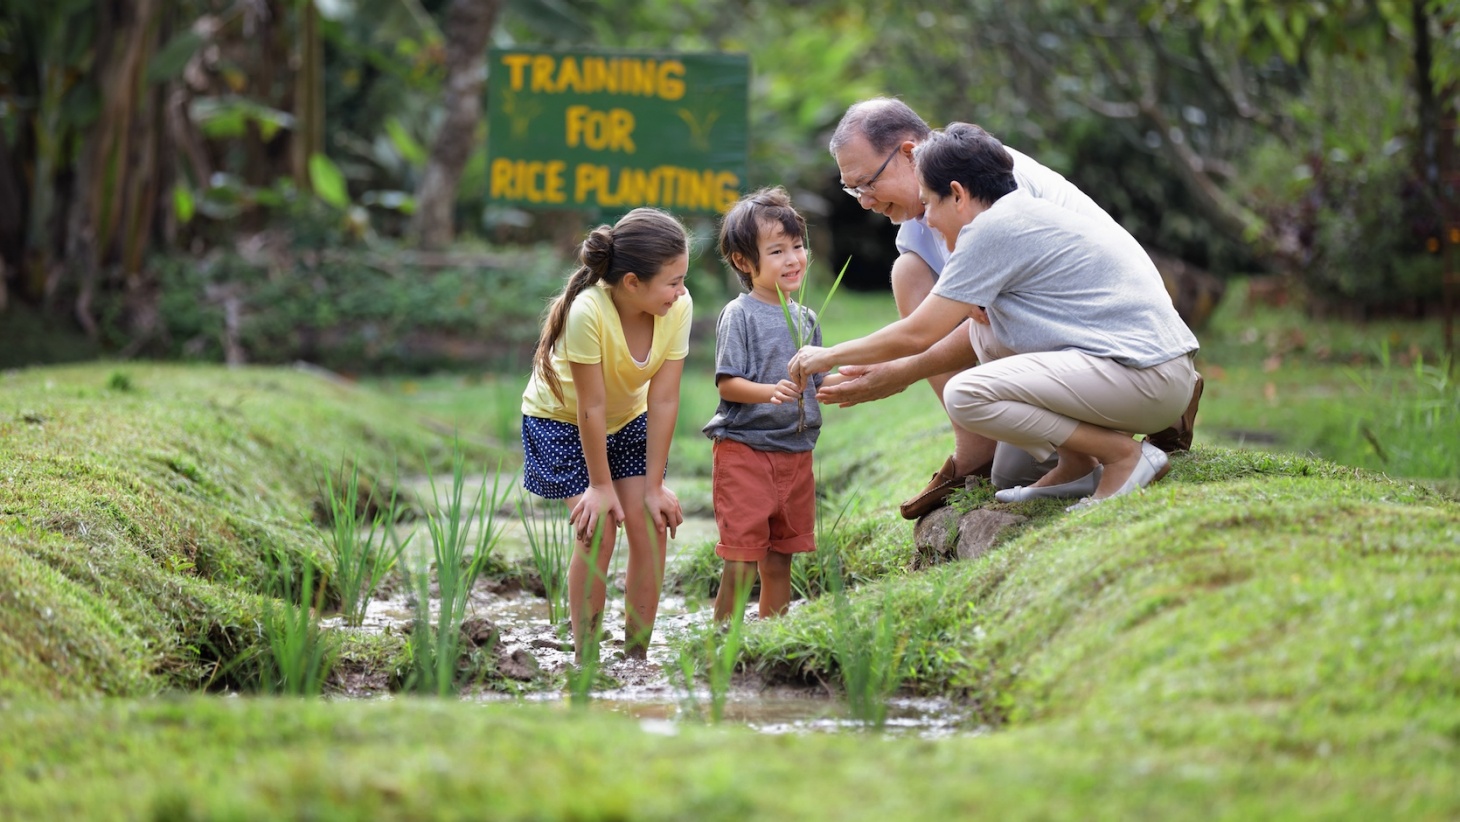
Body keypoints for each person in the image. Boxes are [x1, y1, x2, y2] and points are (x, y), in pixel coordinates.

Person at [824, 98, 1202, 517]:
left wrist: (887, 368)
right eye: (852, 190)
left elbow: (929, 330)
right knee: (1011, 473)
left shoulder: (997, 198)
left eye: (866, 184)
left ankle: (1125, 453)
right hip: (1083, 349)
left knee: (969, 392)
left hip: (1119, 348)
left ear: (911, 156)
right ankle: (1065, 460)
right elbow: (981, 324)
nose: (863, 201)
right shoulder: (948, 205)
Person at [520, 207, 691, 660]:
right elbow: (589, 407)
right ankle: (587, 661)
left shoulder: (678, 308)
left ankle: (636, 657)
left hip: (627, 418)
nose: (681, 291)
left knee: (651, 524)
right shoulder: (588, 311)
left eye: (683, 280)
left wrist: (653, 487)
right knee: (598, 532)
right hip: (560, 421)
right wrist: (599, 487)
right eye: (672, 281)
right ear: (632, 282)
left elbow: (664, 400)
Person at [702, 187, 845, 621]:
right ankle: (721, 645)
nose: (793, 259)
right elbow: (728, 384)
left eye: (798, 246)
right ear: (744, 262)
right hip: (746, 451)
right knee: (742, 559)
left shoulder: (807, 319)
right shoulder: (739, 314)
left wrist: (852, 381)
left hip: (796, 452)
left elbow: (818, 383)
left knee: (781, 557)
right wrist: (769, 391)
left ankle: (773, 636)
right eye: (777, 251)